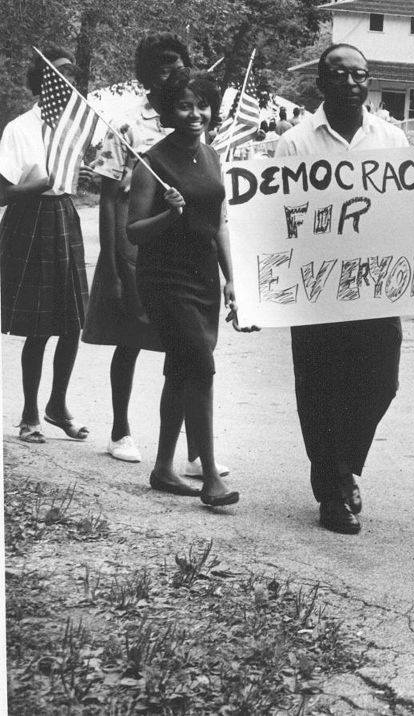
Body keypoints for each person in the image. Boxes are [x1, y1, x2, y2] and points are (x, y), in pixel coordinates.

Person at [275, 44, 406, 535]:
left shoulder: (392, 140)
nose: (352, 82)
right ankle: (332, 490)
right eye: (340, 74)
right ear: (320, 84)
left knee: (380, 382)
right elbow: (281, 216)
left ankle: (343, 464)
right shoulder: (294, 143)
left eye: (361, 75)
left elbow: (409, 215)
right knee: (320, 389)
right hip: (316, 286)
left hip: (376, 285)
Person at [127, 70, 246, 507]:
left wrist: (232, 277)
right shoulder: (150, 163)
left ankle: (162, 468)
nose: (195, 114)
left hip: (202, 277)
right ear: (166, 111)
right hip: (164, 278)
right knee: (201, 365)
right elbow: (134, 232)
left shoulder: (212, 155)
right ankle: (211, 476)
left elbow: (217, 222)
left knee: (182, 368)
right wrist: (169, 215)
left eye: (202, 105)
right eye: (184, 106)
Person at [85, 33, 193, 464]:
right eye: (162, 65)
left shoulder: (194, 119)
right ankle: (120, 430)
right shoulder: (127, 126)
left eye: (179, 62)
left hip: (181, 245)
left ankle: (193, 446)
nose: (172, 71)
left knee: (187, 346)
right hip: (136, 241)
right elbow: (110, 195)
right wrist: (112, 266)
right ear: (145, 76)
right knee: (129, 338)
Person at [0, 46, 89, 445]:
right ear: (40, 81)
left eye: (70, 75)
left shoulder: (76, 127)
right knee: (38, 326)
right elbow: (3, 193)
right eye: (56, 74)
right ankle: (30, 412)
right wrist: (34, 185)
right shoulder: (19, 128)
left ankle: (58, 405)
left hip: (64, 216)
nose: (64, 82)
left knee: (73, 321)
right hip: (31, 220)